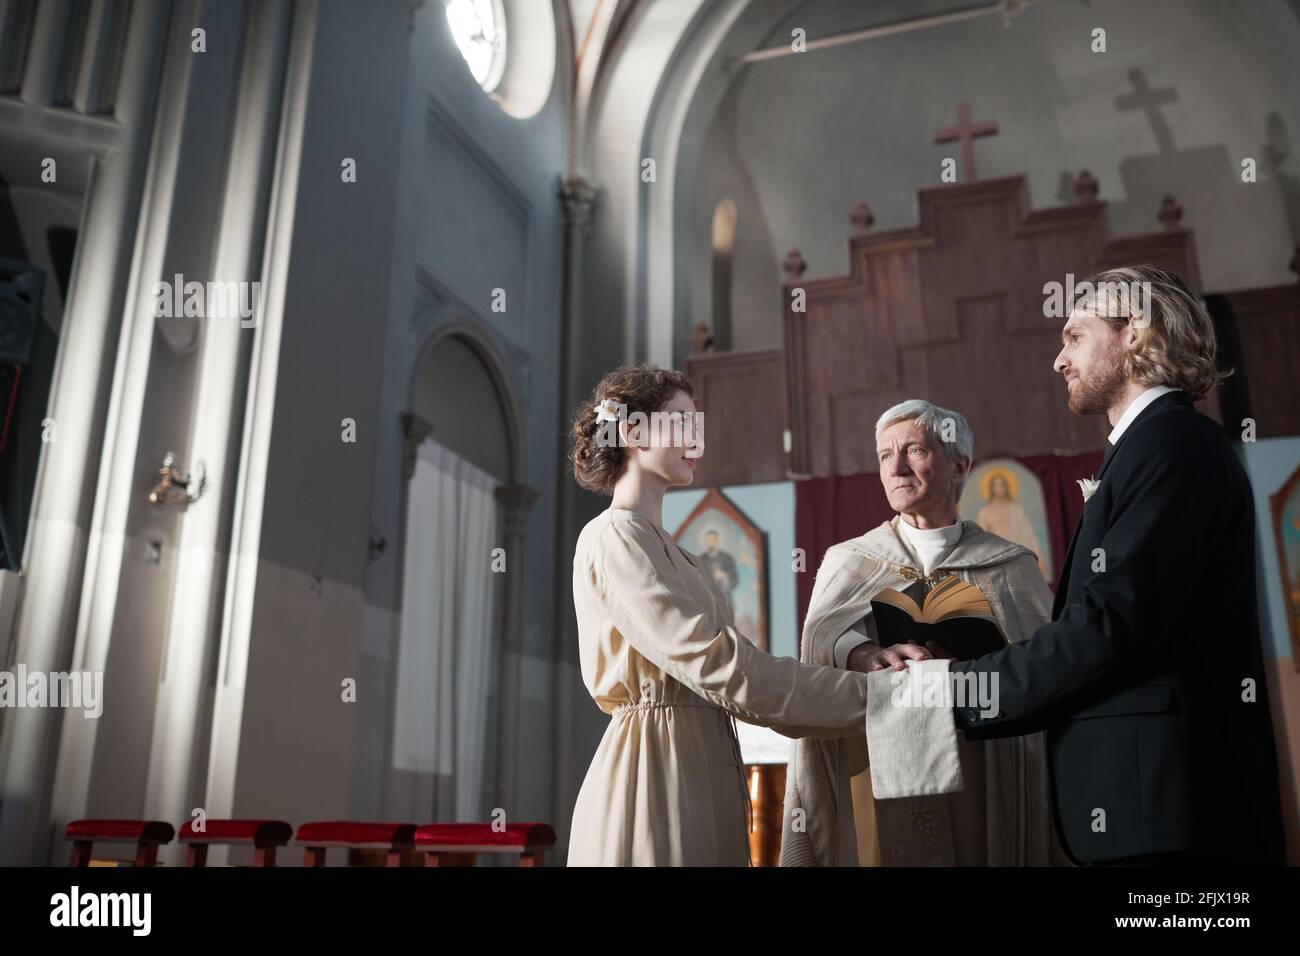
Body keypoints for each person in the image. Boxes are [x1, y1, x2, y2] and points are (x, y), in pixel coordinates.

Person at [941, 265, 1285, 864]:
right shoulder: (1148, 447)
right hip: (1146, 812)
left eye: (1075, 336)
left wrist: (950, 690)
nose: (1059, 359)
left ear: (1134, 331)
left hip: (1172, 821)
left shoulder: (1171, 444)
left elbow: (1109, 627)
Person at [566, 364, 875, 865]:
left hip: (702, 761)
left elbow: (733, 665)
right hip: (654, 774)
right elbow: (720, 665)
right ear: (632, 432)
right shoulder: (613, 536)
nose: (698, 441)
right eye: (683, 423)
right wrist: (877, 699)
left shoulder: (679, 553)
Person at [780, 400, 1067, 866]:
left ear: (959, 465)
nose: (895, 467)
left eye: (913, 450)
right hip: (878, 758)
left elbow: (1045, 663)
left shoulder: (1010, 565)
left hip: (983, 761)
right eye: (883, 455)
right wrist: (861, 652)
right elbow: (817, 643)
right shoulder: (849, 559)